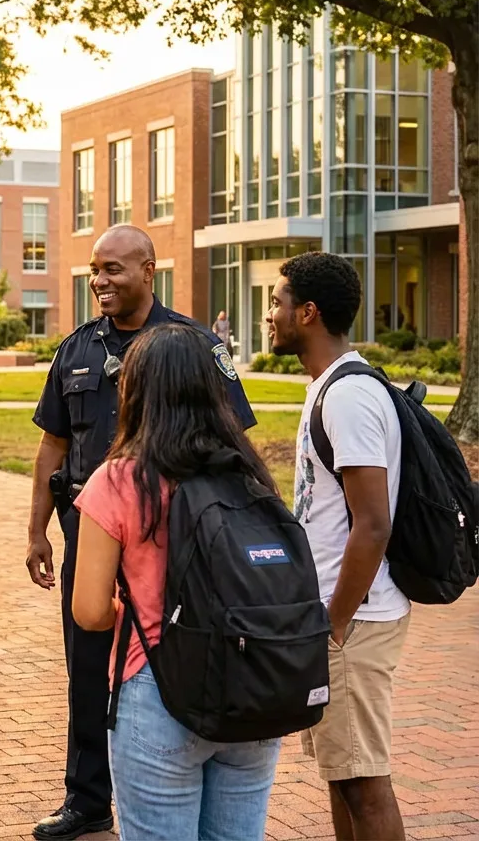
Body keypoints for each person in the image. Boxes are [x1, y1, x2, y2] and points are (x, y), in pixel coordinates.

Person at [28, 225, 256, 840]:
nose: (99, 281)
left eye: (113, 269)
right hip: (92, 534)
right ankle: (86, 798)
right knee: (87, 665)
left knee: (169, 655)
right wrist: (37, 532)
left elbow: (236, 441)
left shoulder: (191, 345)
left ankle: (178, 763)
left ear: (149, 269)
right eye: (94, 270)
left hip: (175, 543)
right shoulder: (75, 349)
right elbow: (53, 443)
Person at [72, 322, 282, 839]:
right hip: (251, 684)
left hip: (158, 685)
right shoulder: (248, 470)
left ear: (136, 390)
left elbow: (90, 610)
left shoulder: (120, 479)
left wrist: (132, 609)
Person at [266, 252, 410, 841]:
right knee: (342, 774)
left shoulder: (348, 395)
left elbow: (373, 523)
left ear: (308, 312)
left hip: (351, 617)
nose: (269, 314)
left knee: (363, 781)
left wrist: (335, 621)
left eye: (277, 302)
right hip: (339, 613)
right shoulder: (331, 386)